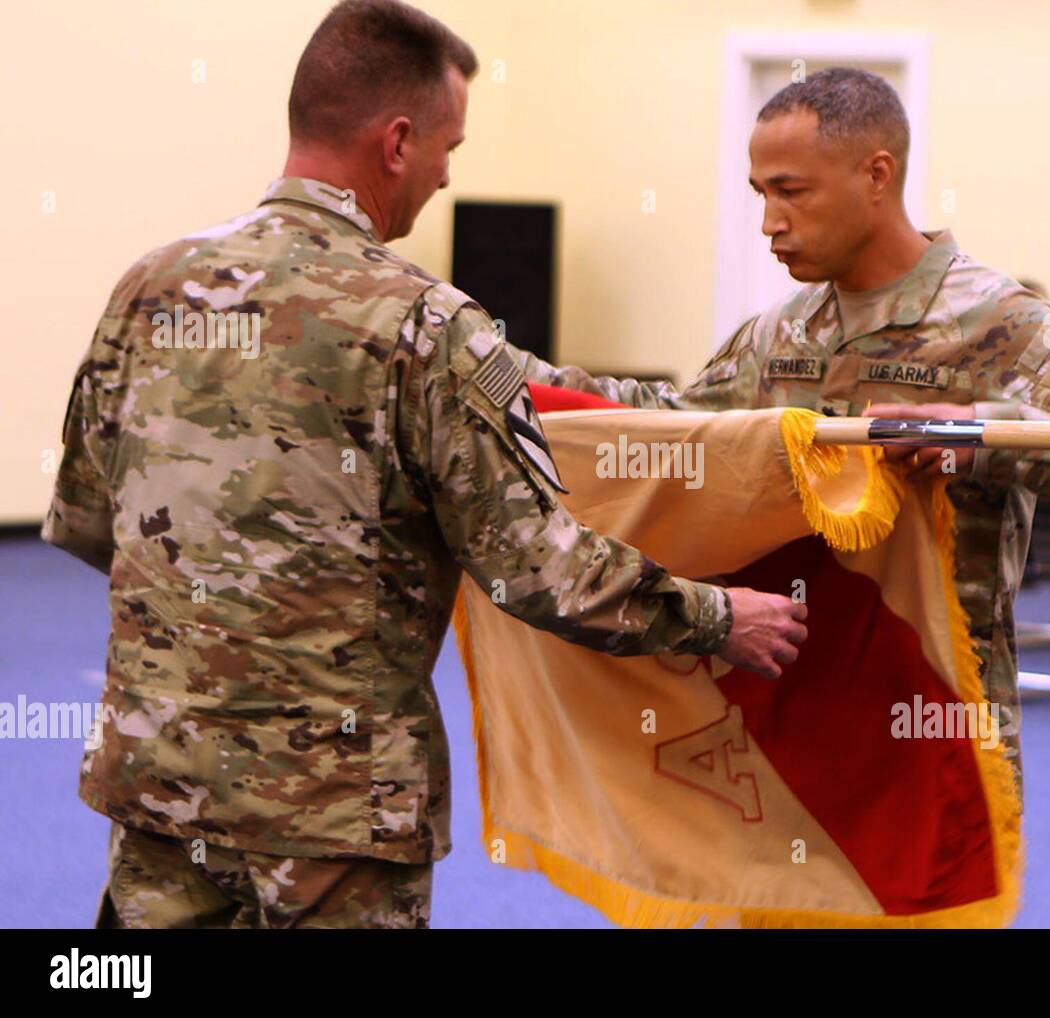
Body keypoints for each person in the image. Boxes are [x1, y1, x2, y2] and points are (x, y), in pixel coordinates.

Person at [41, 0, 806, 929]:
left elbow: (88, 520)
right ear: (397, 142)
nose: (448, 175)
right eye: (450, 145)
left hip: (156, 784)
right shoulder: (426, 325)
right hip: (330, 814)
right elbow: (539, 568)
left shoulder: (147, 287)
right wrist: (715, 616)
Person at [515, 68, 1050, 786]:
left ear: (876, 175)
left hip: (936, 724)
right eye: (761, 194)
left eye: (791, 191)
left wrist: (983, 437)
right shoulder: (781, 333)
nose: (770, 221)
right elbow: (675, 430)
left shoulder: (1003, 325)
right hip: (794, 714)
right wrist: (518, 378)